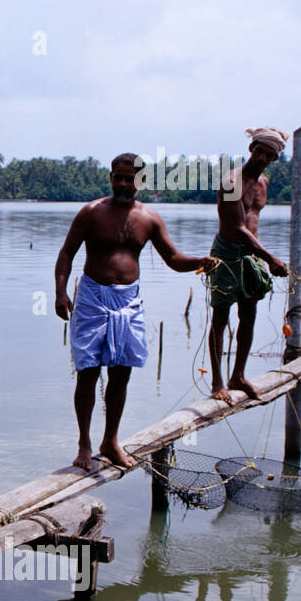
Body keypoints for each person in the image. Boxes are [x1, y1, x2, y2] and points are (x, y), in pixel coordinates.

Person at [55, 153, 215, 471]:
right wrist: (60, 292)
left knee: (122, 372)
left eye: (131, 178)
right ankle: (84, 444)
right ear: (111, 176)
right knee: (87, 371)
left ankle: (110, 441)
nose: (125, 183)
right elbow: (67, 252)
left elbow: (173, 258)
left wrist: (200, 262)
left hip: (129, 300)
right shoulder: (91, 212)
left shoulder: (149, 219)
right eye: (120, 177)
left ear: (141, 181)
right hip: (91, 298)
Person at [208, 128, 291, 403]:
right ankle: (218, 382)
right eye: (261, 151)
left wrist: (262, 257)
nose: (264, 158)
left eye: (271, 155)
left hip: (251, 255)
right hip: (228, 254)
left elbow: (252, 226)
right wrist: (272, 259)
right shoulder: (232, 181)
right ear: (251, 148)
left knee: (249, 315)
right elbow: (238, 227)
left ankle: (238, 376)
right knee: (220, 318)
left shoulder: (263, 183)